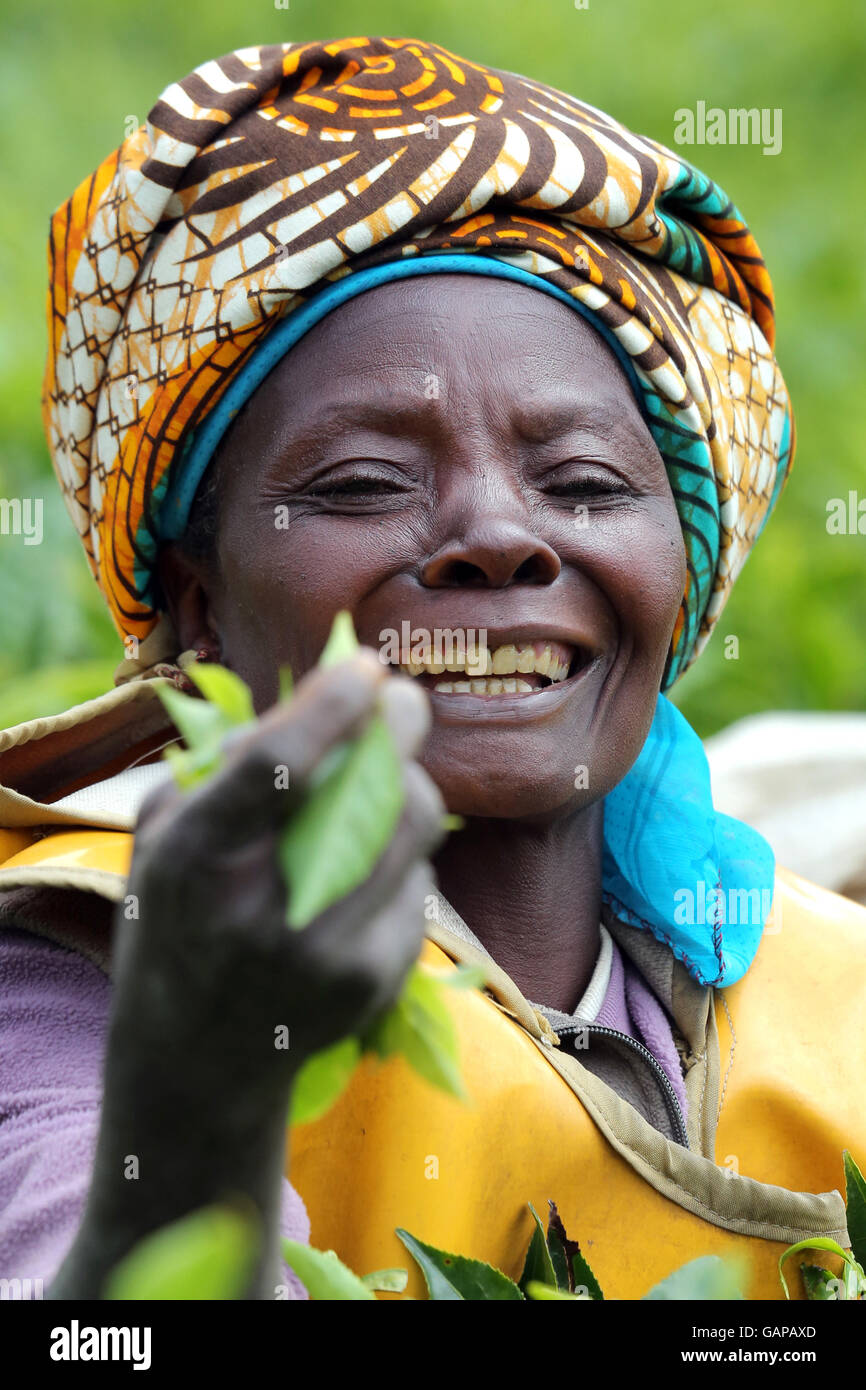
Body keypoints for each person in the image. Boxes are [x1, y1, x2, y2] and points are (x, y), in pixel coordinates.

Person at [1, 36, 863, 1302]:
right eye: (361, 485)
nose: (502, 538)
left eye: (580, 483)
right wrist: (194, 1100)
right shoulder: (85, 966)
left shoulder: (820, 982)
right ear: (197, 610)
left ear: (677, 580)